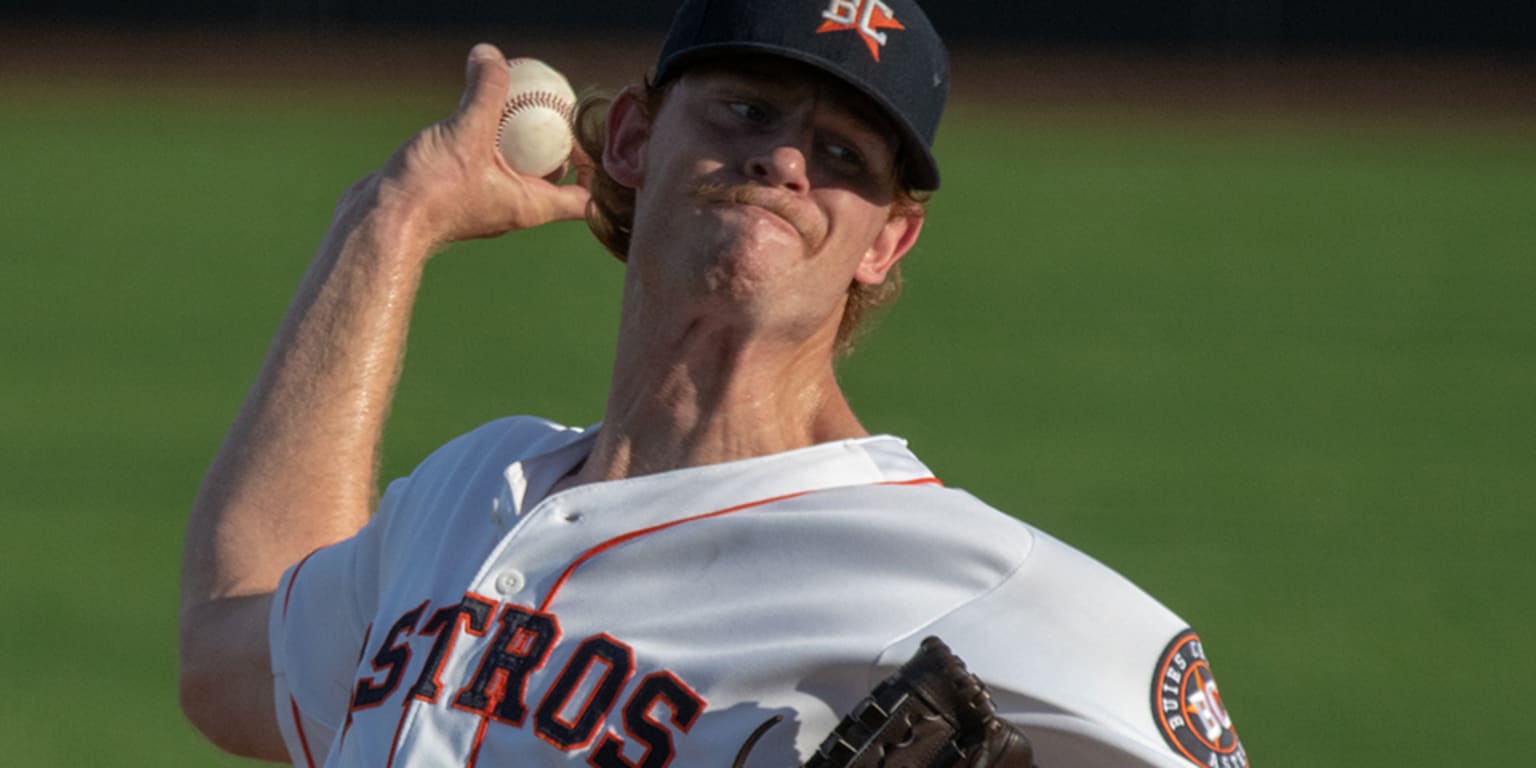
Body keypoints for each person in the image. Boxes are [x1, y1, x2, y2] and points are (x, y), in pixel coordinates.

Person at [179, 1, 1248, 766]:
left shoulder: (977, 585)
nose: (788, 160)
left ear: (889, 240)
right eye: (747, 110)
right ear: (636, 139)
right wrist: (388, 223)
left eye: (843, 155)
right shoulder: (475, 488)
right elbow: (233, 655)